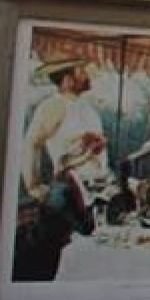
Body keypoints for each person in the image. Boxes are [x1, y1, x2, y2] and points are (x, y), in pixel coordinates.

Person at [16, 57, 103, 279]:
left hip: (91, 192)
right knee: (62, 256)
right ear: (67, 80)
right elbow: (31, 142)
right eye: (81, 71)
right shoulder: (54, 105)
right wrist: (33, 185)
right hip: (67, 193)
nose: (87, 75)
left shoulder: (85, 107)